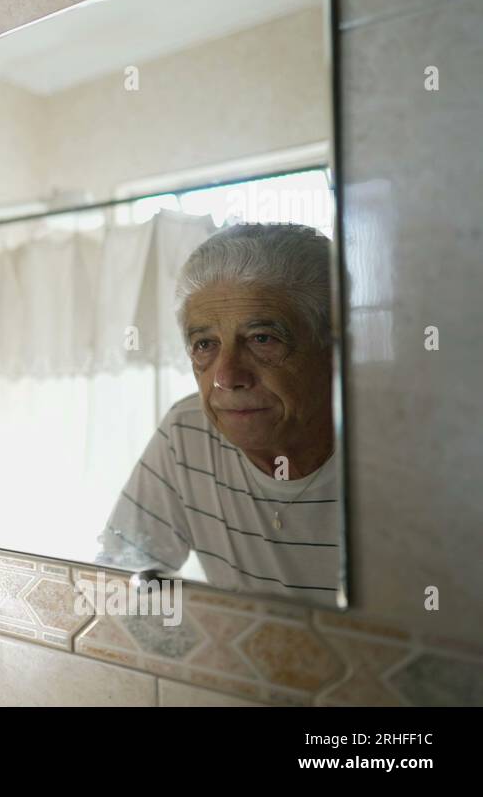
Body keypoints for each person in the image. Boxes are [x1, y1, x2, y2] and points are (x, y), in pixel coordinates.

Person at [97, 223, 341, 604]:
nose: (227, 377)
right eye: (205, 344)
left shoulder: (393, 446)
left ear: (333, 349)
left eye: (263, 339)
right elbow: (118, 582)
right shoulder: (189, 429)